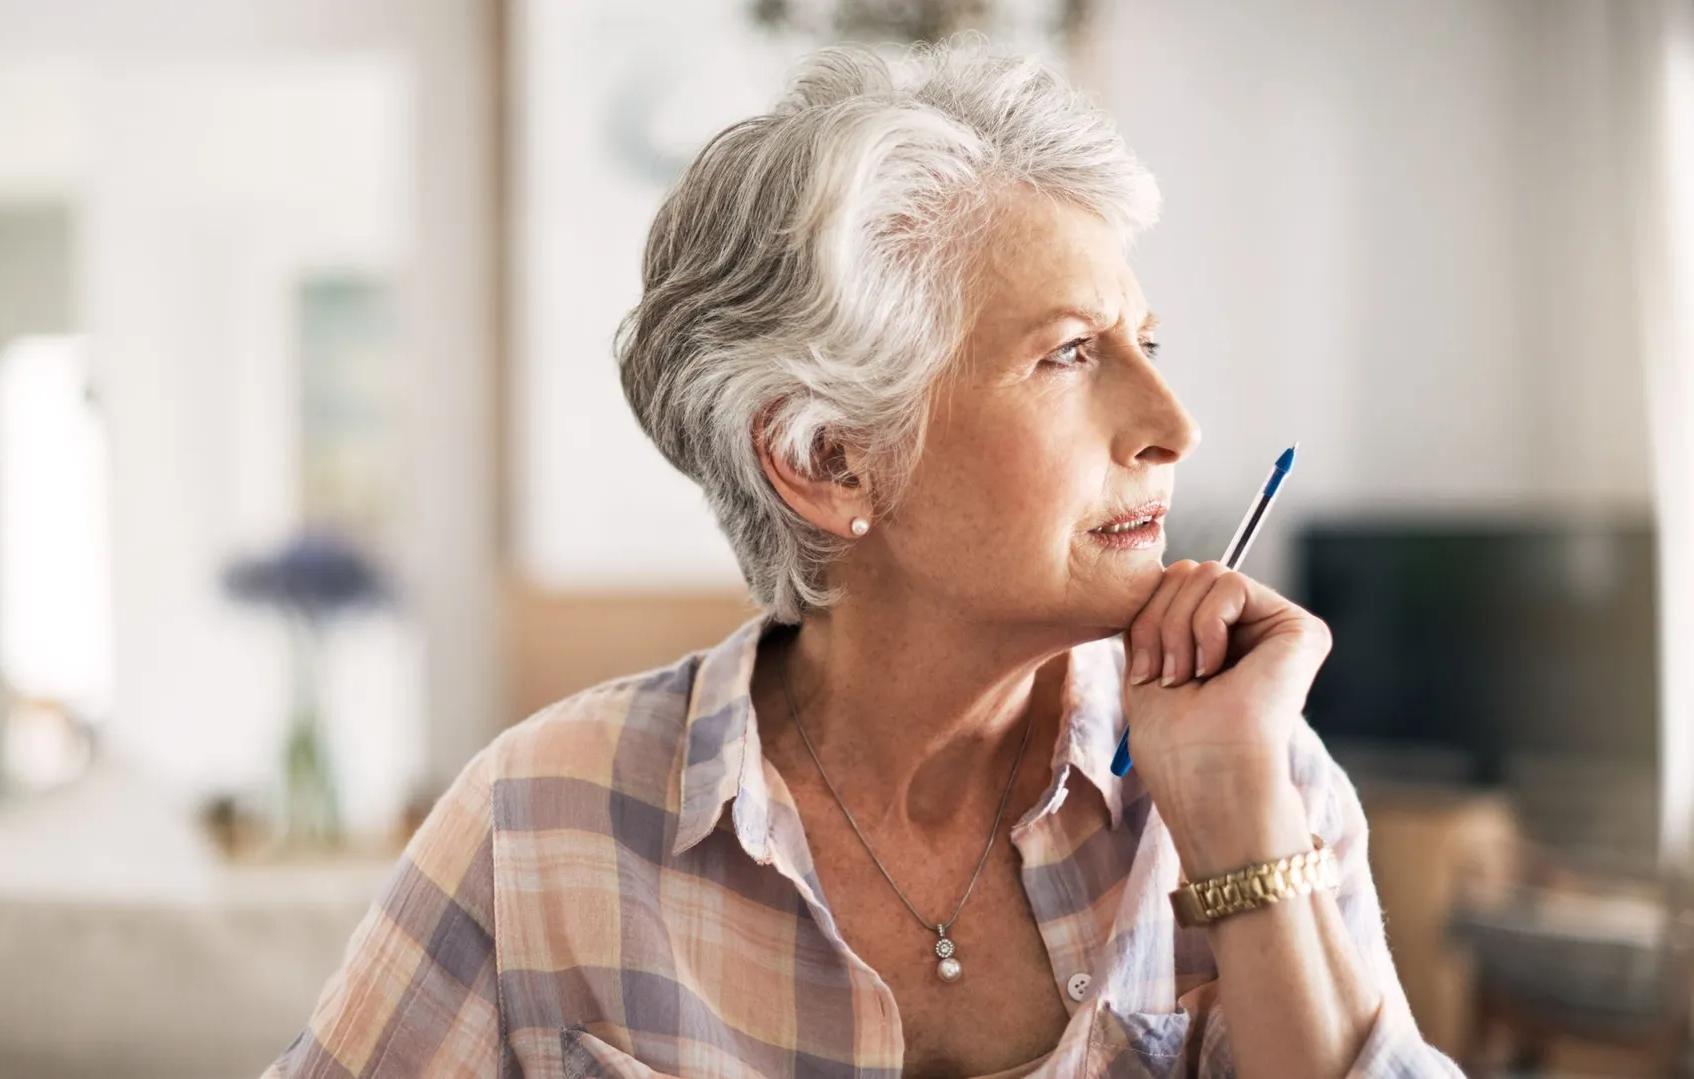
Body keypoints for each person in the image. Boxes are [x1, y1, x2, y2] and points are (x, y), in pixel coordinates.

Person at [268, 40, 1462, 1078]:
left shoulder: (1259, 777)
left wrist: (1245, 826)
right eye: (1067, 355)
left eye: (1144, 341)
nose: (1173, 423)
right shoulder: (542, 820)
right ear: (829, 460)